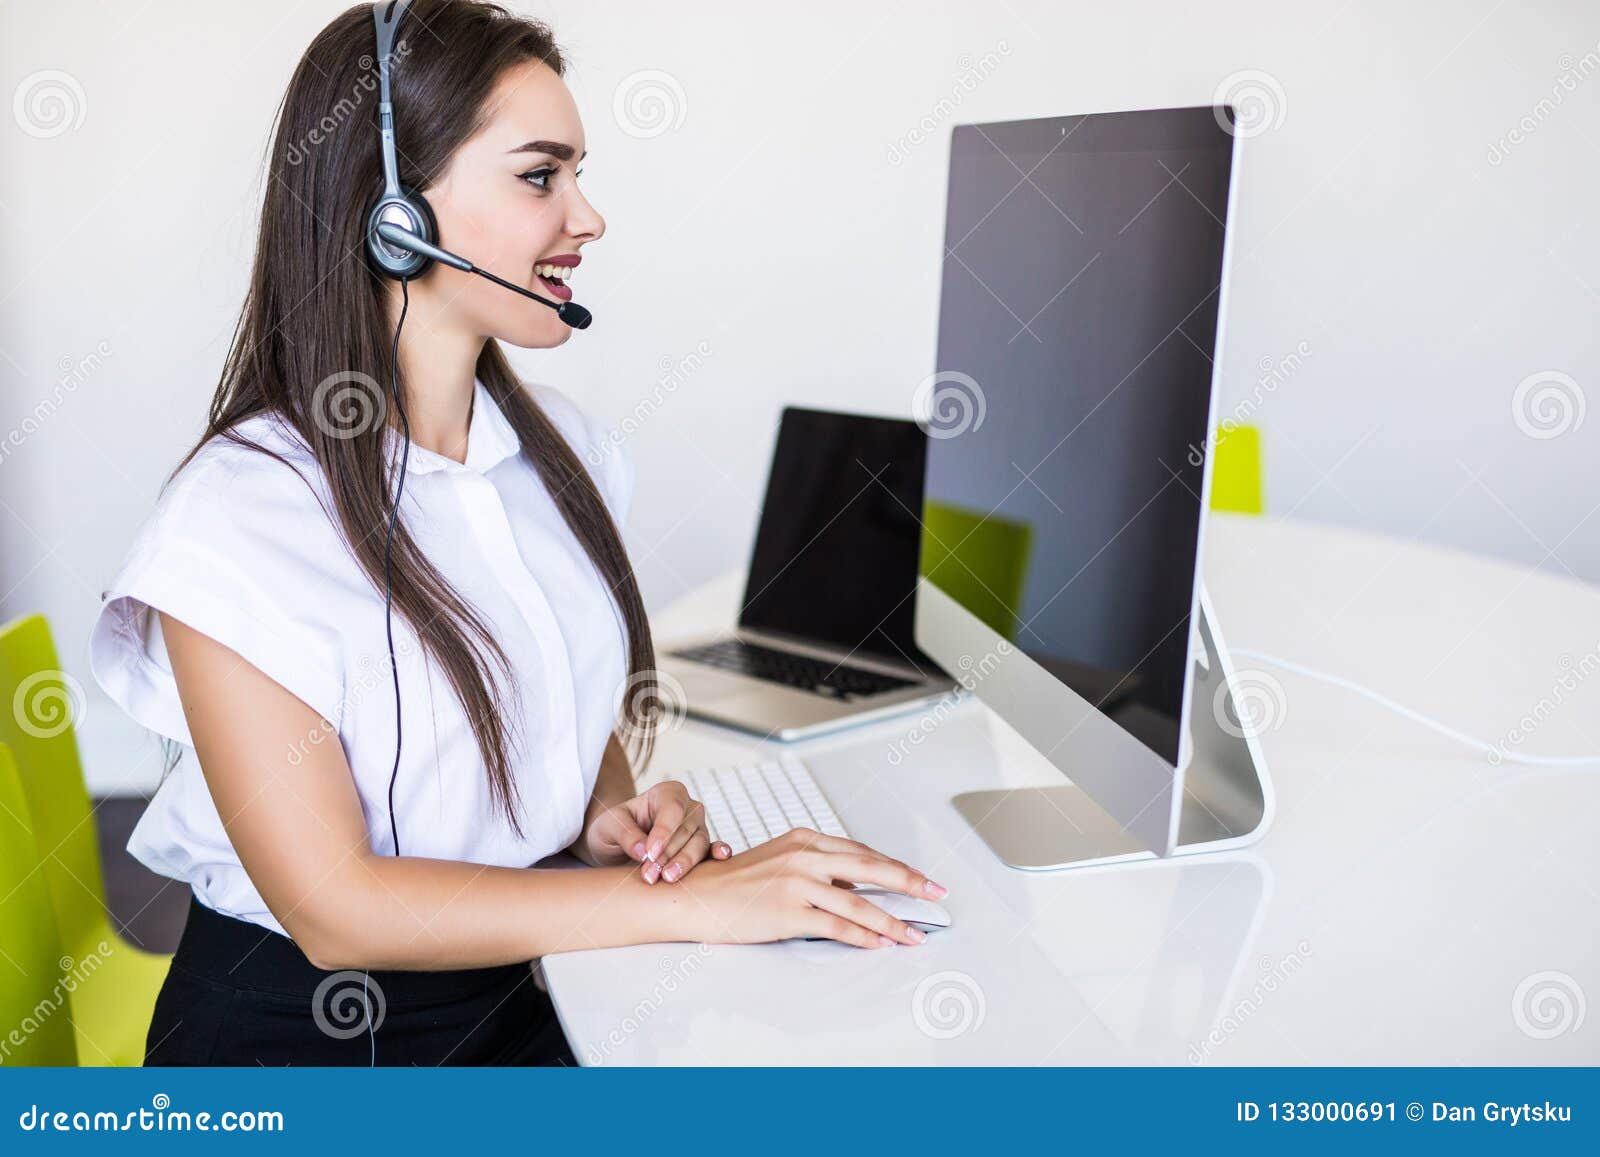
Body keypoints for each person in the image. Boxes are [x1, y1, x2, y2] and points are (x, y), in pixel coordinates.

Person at [89, 0, 944, 1068]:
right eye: (541, 176)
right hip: (314, 1040)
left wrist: (608, 814)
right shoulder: (240, 517)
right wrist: (694, 904)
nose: (586, 217)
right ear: (391, 214)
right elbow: (337, 908)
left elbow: (546, 700)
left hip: (535, 979)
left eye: (576, 173)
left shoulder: (565, 455)